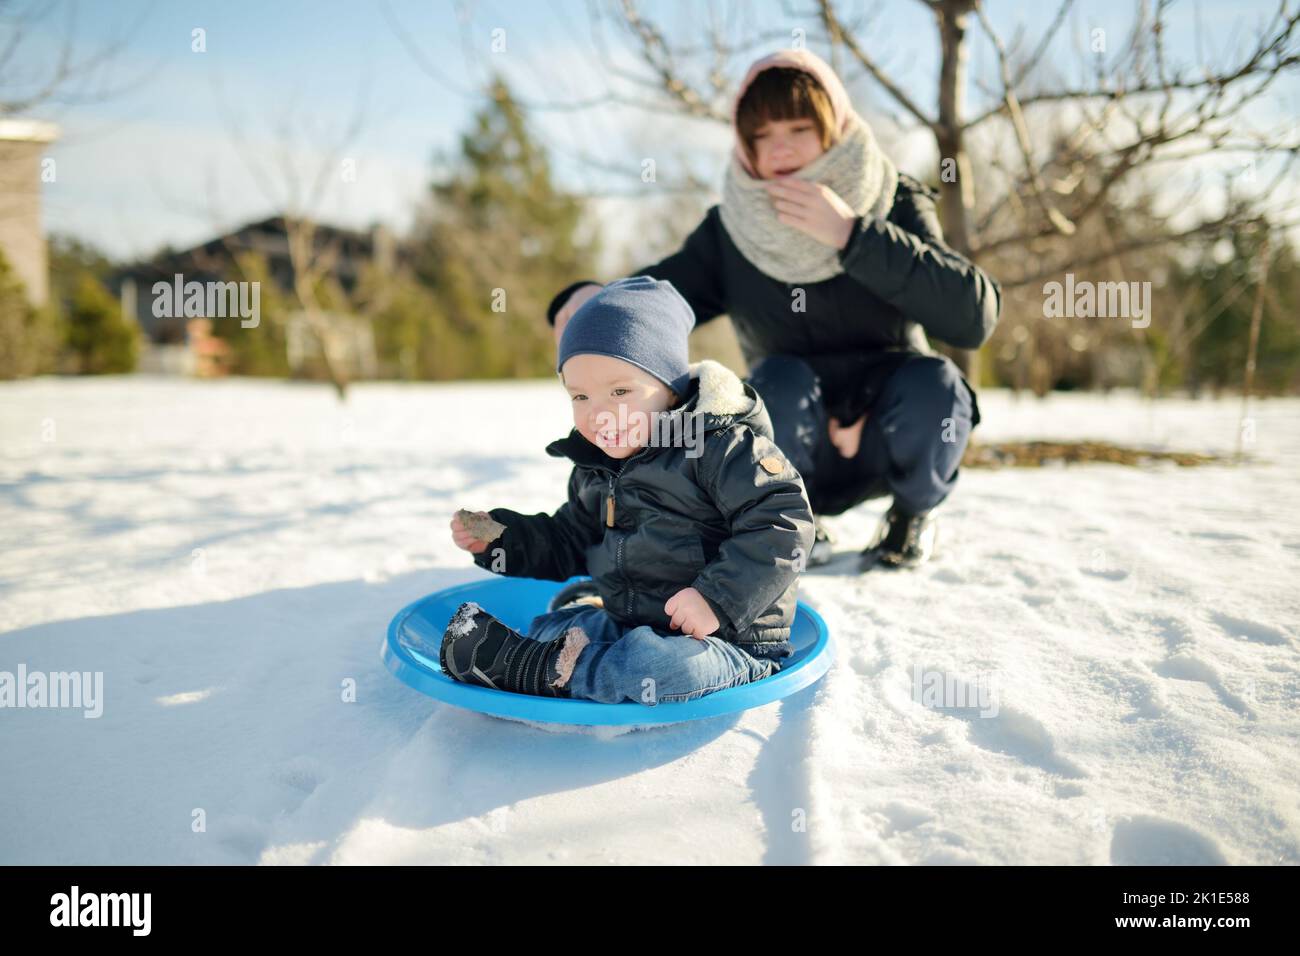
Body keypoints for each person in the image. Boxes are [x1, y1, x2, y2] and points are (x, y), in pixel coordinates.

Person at [547, 49, 1002, 569]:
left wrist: (851, 235)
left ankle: (911, 516)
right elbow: (654, 298)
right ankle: (792, 519)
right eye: (761, 135)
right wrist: (591, 297)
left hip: (891, 429)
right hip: (787, 437)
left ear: (834, 128)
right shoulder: (733, 229)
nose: (779, 147)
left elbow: (972, 317)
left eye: (798, 128)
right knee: (774, 380)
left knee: (937, 386)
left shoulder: (892, 199)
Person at [442, 276, 815, 703]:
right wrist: (506, 540)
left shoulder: (720, 447)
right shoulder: (598, 463)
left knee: (660, 668)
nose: (598, 413)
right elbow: (573, 539)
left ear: (671, 388)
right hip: (631, 623)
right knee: (558, 626)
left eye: (620, 391)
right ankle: (548, 656)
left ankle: (535, 667)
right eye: (580, 396)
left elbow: (783, 522)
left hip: (729, 640)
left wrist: (717, 600)